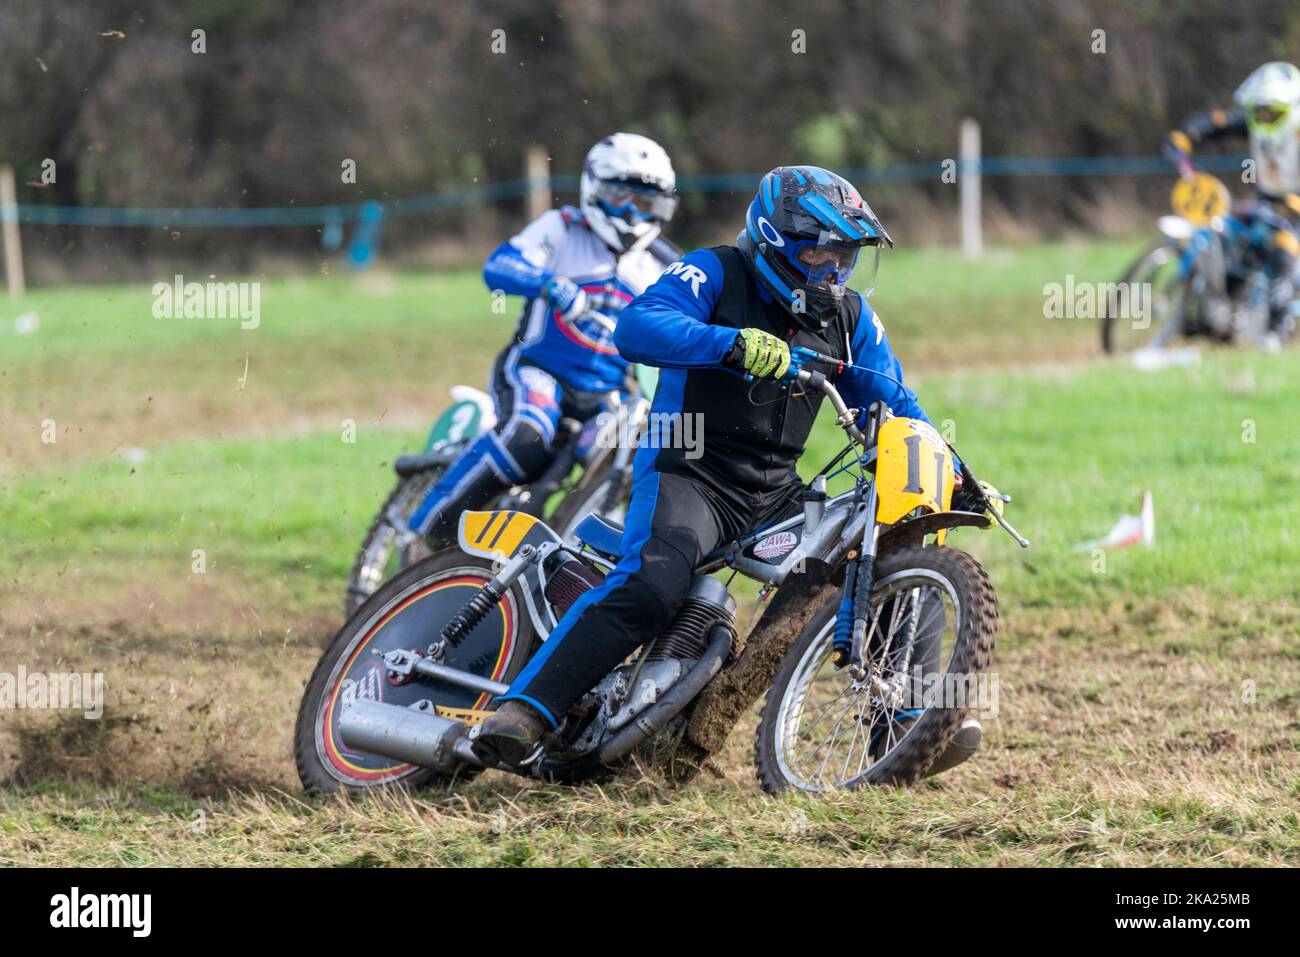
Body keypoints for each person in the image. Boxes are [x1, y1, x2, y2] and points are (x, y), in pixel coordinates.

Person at [476, 165, 985, 768]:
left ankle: (900, 723)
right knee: (652, 584)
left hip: (773, 492)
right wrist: (730, 343)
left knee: (892, 548)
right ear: (775, 240)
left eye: (846, 256)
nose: (835, 271)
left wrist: (954, 471)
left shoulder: (851, 319)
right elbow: (636, 327)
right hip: (689, 472)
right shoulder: (715, 271)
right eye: (821, 254)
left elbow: (897, 402)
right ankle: (525, 709)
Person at [406, 133, 681, 540]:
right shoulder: (561, 228)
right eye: (620, 197)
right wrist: (548, 283)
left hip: (607, 395)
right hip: (536, 372)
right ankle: (428, 527)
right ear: (594, 188)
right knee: (528, 435)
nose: (631, 214)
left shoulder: (666, 265)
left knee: (633, 459)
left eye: (644, 202)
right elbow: (499, 266)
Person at [1162, 61, 1300, 347]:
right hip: (1266, 205)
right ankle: (1215, 316)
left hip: (1295, 213)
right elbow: (1212, 124)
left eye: (1272, 112)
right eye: (1257, 111)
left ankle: (1277, 330)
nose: (1263, 118)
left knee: (1284, 248)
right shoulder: (1252, 122)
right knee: (1228, 238)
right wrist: (1184, 137)